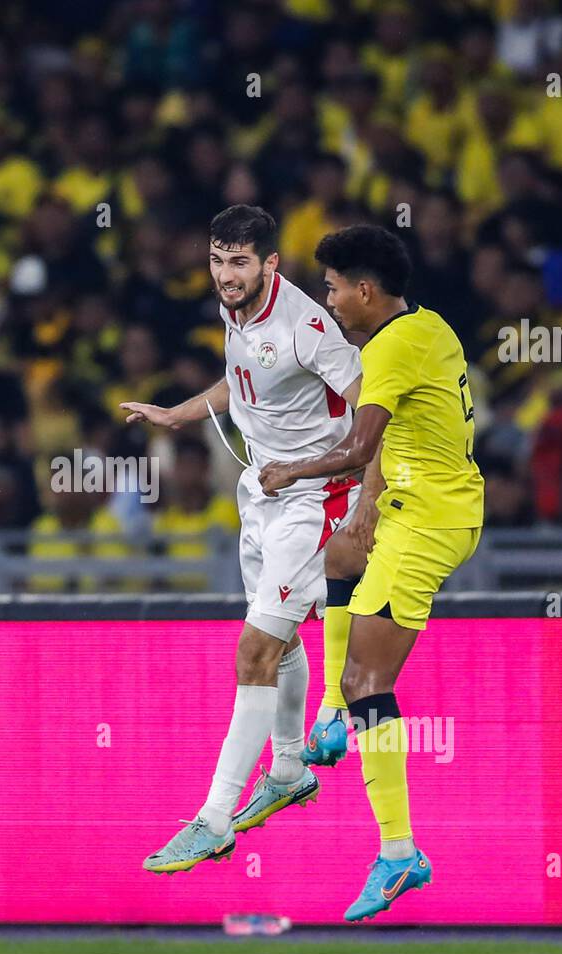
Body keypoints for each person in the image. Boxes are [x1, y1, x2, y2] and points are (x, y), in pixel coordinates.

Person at [120, 204, 373, 873]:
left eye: (238, 262)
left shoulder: (309, 328)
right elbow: (243, 379)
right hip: (259, 495)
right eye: (216, 260)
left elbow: (373, 415)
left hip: (314, 500)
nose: (225, 275)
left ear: (270, 264)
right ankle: (289, 771)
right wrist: (182, 412)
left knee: (255, 651)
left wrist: (367, 507)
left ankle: (213, 819)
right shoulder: (236, 310)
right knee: (280, 640)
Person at [258, 224, 485, 920]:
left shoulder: (384, 351)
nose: (325, 302)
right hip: (421, 502)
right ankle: (331, 719)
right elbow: (396, 434)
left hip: (428, 523)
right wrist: (364, 506)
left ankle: (398, 853)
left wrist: (291, 469)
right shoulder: (428, 326)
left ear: (363, 289)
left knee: (367, 683)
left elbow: (361, 444)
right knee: (340, 555)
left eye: (329, 288)